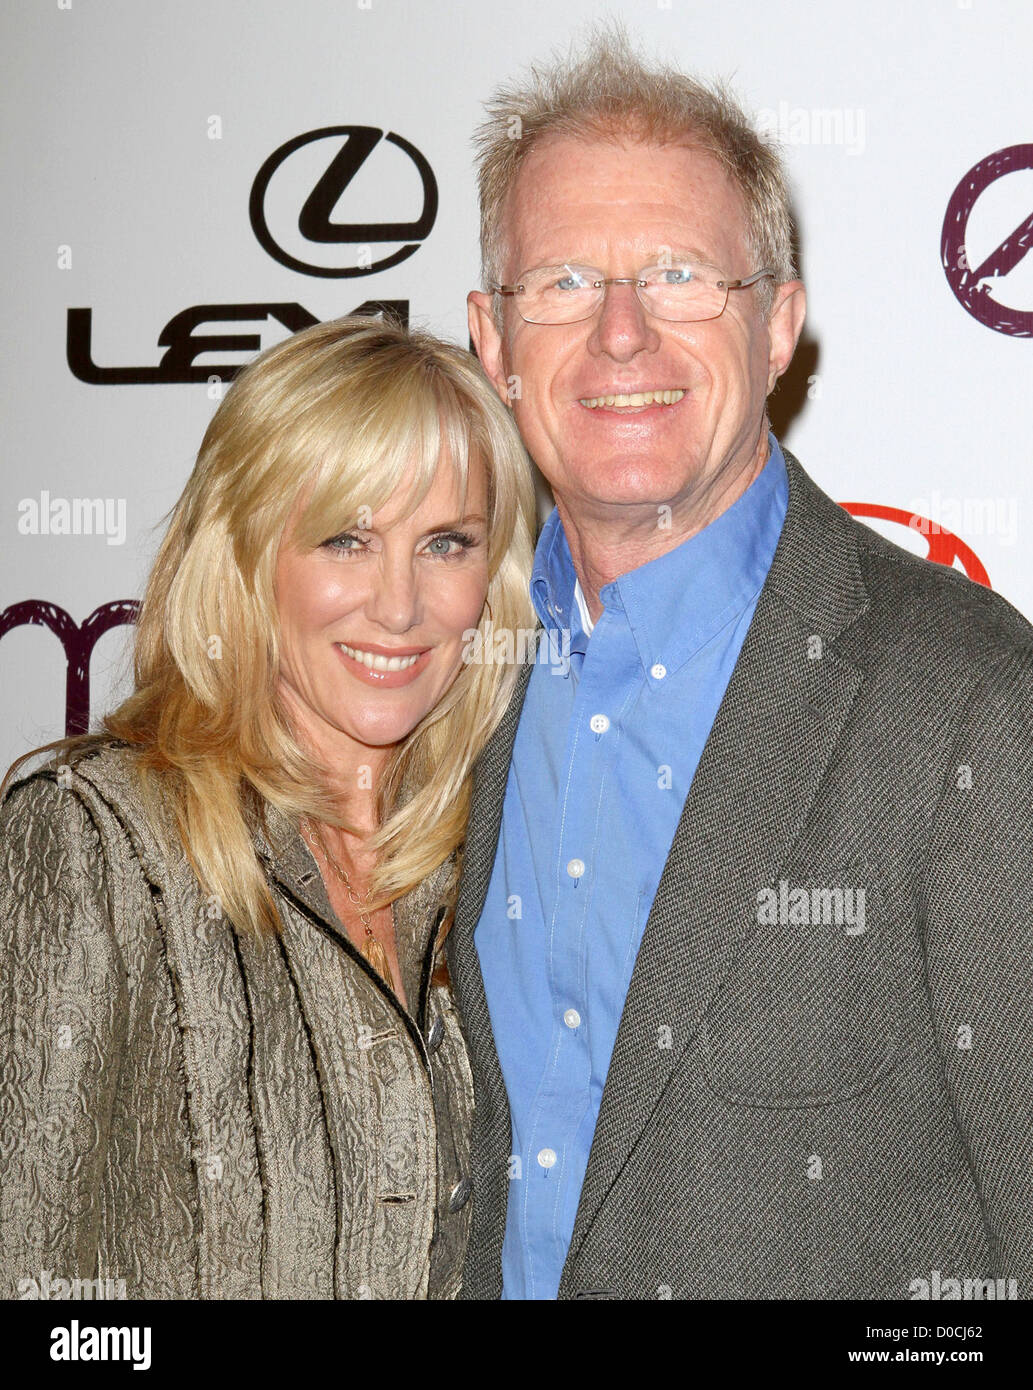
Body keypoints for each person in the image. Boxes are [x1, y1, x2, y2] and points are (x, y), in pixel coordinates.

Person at [448, 27, 1033, 1300]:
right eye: (558, 282)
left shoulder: (971, 702)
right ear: (492, 342)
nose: (617, 335)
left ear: (777, 325)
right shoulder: (441, 675)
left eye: (676, 276)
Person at [0, 314, 536, 1299]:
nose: (400, 603)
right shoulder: (88, 837)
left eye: (446, 543)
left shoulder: (496, 869)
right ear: (244, 557)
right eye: (347, 538)